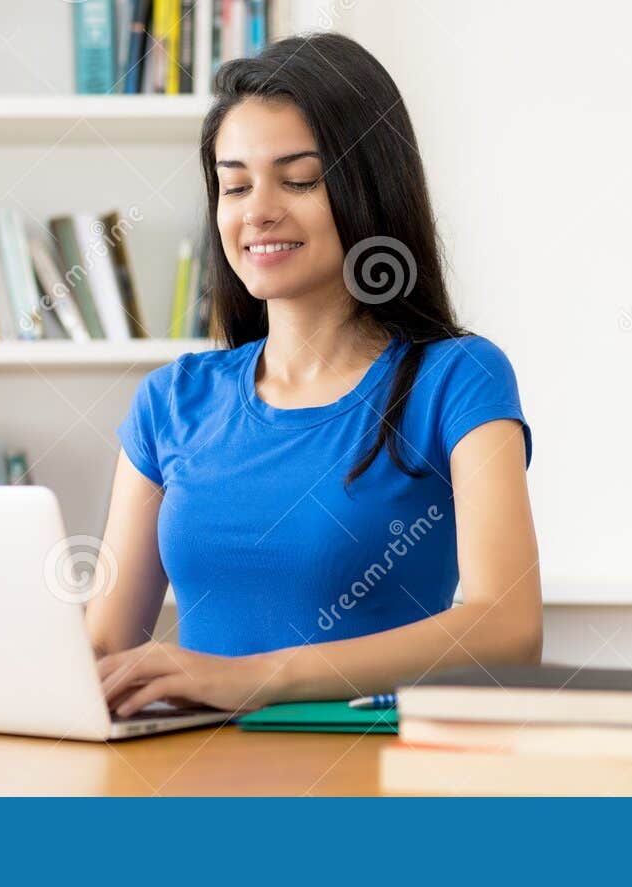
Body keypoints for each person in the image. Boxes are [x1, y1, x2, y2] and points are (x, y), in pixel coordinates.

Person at [88, 33, 541, 717]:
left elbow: (509, 629)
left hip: (365, 770)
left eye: (298, 179)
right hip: (191, 772)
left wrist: (254, 678)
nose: (257, 210)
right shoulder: (171, 400)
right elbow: (104, 650)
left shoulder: (456, 379)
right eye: (235, 185)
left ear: (370, 189)